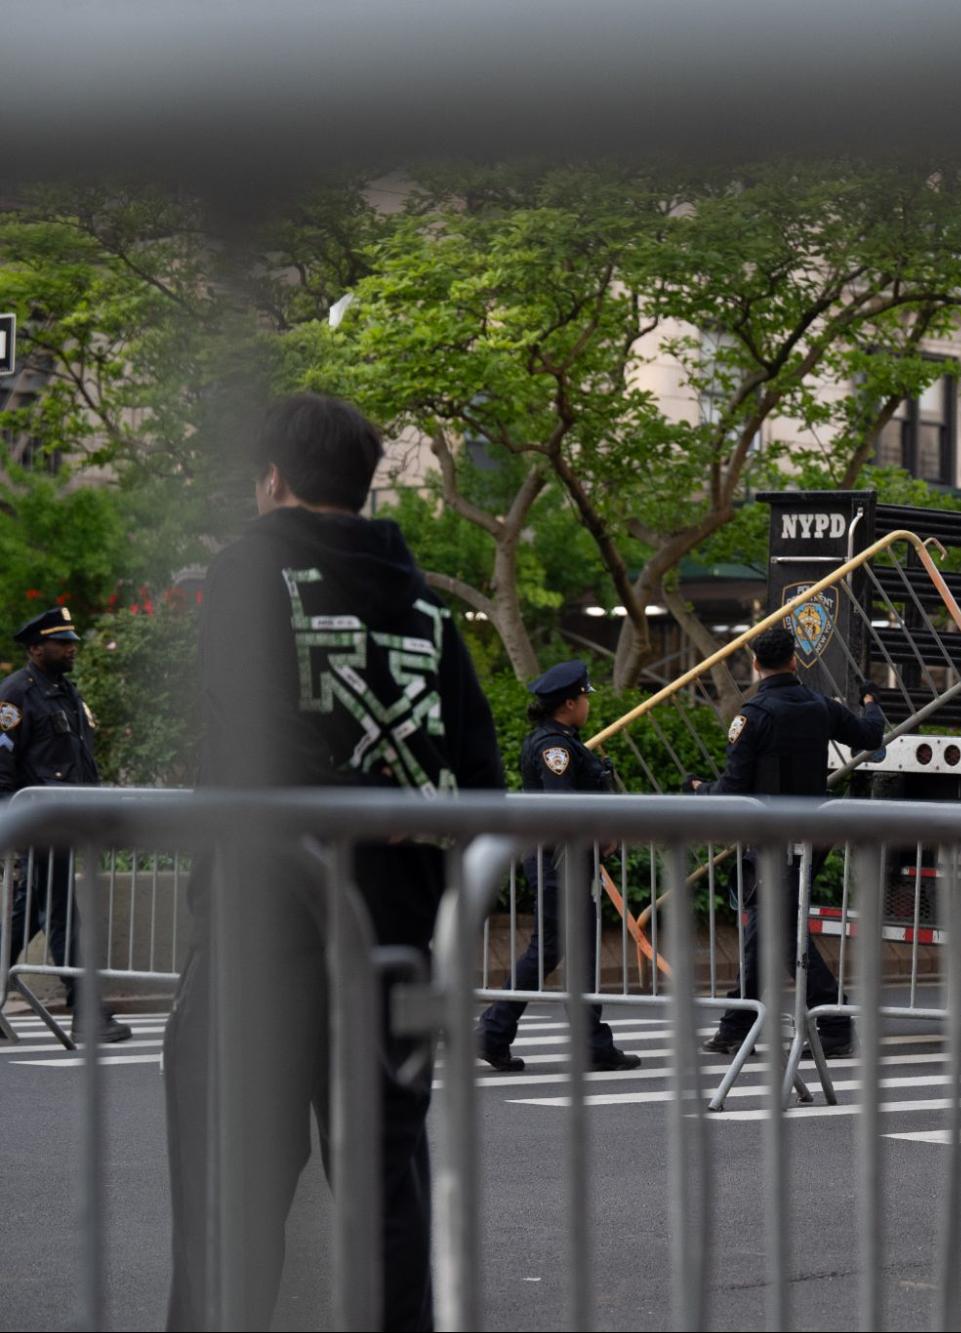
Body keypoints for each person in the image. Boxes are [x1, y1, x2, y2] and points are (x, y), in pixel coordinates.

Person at [165, 391, 505, 1331]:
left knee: (229, 1202)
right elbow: (481, 780)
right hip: (400, 939)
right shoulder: (429, 610)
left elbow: (250, 739)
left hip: (266, 926)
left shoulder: (247, 572)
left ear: (271, 477)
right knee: (388, 1195)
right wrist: (395, 812)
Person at [694, 624, 883, 1059]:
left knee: (777, 930)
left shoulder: (753, 716)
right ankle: (739, 1025)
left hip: (772, 839)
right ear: (795, 660)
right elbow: (870, 737)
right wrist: (873, 704)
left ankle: (830, 1022)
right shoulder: (819, 706)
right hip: (813, 836)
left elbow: (732, 790)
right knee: (772, 927)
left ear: (756, 664)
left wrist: (698, 788)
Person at [475, 659, 639, 1073]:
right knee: (560, 949)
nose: (587, 704)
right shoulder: (556, 748)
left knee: (557, 949)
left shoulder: (561, 741)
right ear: (569, 702)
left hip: (558, 861)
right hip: (559, 862)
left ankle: (496, 1033)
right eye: (584, 696)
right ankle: (584, 1044)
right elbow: (563, 805)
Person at [0, 606, 133, 1044]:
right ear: (36, 647)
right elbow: (2, 769)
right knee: (62, 914)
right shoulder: (16, 694)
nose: (72, 647)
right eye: (62, 641)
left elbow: (78, 761)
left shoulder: (65, 692)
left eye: (72, 640)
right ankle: (86, 1009)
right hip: (41, 821)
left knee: (24, 916)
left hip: (66, 820)